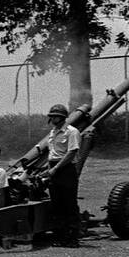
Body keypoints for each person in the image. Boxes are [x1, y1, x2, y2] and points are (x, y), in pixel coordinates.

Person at [37, 103, 82, 247]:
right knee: (57, 205)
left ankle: (73, 239)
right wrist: (48, 169)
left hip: (66, 170)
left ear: (63, 118)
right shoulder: (52, 132)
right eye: (52, 116)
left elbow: (72, 152)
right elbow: (52, 154)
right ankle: (61, 237)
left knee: (70, 205)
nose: (54, 118)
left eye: (56, 116)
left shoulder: (71, 131)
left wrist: (55, 169)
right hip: (54, 169)